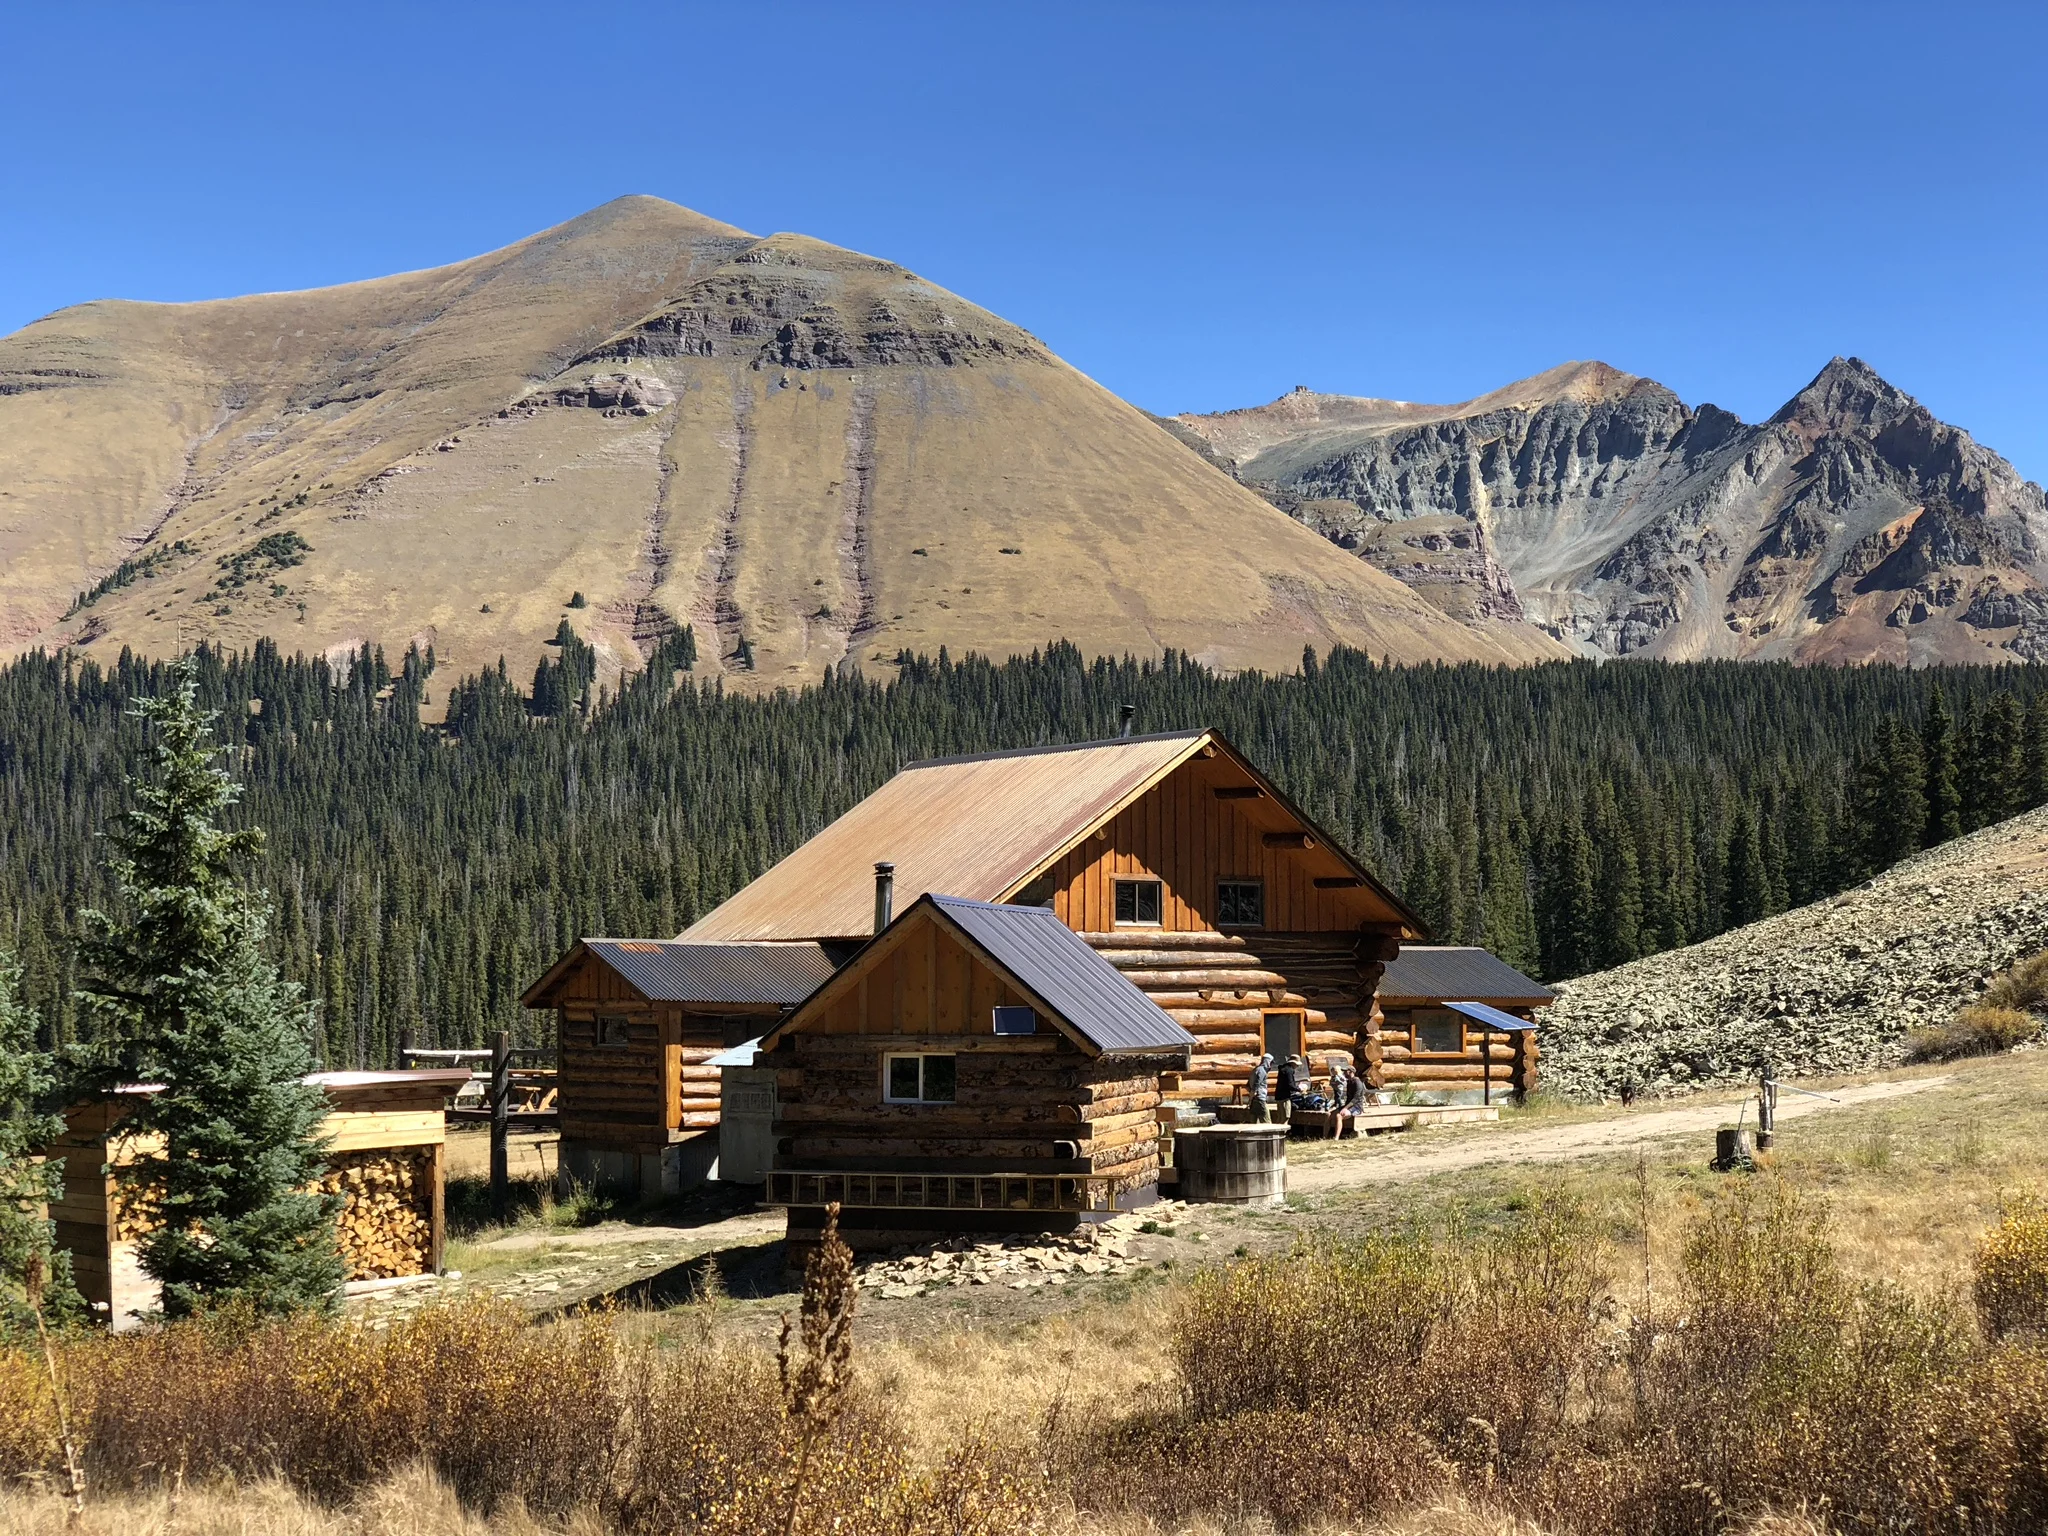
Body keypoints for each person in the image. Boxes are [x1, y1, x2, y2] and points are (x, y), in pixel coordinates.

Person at [1324, 1058, 1349, 1139]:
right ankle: (1337, 1104)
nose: (1333, 1072)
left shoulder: (1340, 1076)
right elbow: (1331, 1082)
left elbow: (1344, 1082)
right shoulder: (1333, 1077)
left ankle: (1339, 1104)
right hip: (1336, 1089)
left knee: (1339, 1097)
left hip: (1341, 1089)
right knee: (1336, 1097)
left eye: (1334, 1071)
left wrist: (1338, 1081)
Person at [1275, 1054, 1303, 1124]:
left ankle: (1276, 1134)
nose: (1297, 1066)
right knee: (1285, 1117)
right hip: (1285, 1097)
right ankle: (1282, 1134)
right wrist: (1299, 1089)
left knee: (1280, 1117)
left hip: (1279, 1095)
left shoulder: (1283, 1069)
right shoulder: (1289, 1071)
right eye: (1297, 1064)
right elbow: (1290, 1085)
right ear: (1293, 1063)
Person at [1248, 1053, 1273, 1123]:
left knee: (1253, 1122)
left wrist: (1251, 1096)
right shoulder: (1262, 1071)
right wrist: (1254, 1092)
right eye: (1271, 1063)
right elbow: (1257, 1083)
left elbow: (1248, 1085)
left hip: (1254, 1100)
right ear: (1268, 1061)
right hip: (1260, 1099)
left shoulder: (1255, 1069)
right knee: (1266, 1122)